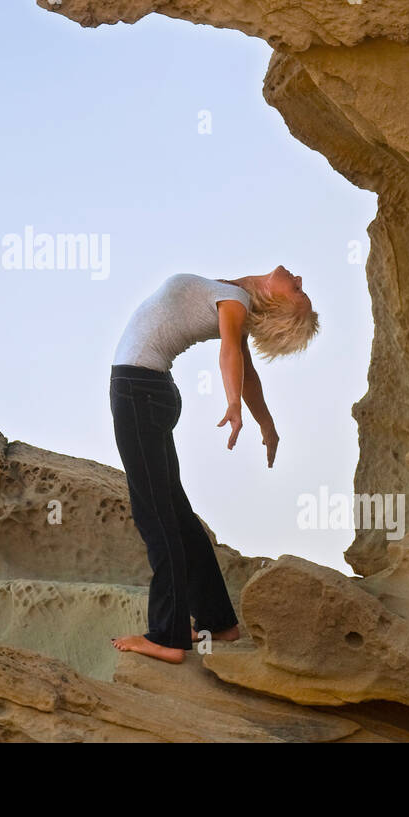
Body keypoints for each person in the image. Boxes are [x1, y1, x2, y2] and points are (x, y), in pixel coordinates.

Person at [108, 267, 319, 664]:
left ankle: (169, 637)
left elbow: (230, 357)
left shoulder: (235, 304)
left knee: (156, 517)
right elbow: (246, 366)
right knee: (177, 516)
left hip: (138, 392)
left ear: (278, 304)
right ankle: (218, 622)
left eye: (298, 293)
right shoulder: (233, 294)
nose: (301, 281)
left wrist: (236, 406)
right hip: (149, 391)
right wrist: (267, 424)